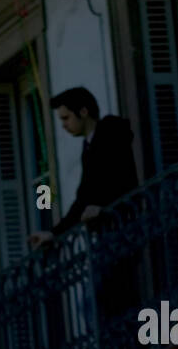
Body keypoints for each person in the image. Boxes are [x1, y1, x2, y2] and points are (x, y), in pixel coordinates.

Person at [28, 87, 138, 248]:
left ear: (84, 111)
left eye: (66, 118)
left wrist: (101, 205)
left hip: (125, 225)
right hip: (110, 235)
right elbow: (83, 198)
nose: (63, 125)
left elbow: (122, 175)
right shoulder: (88, 147)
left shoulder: (110, 128)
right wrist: (53, 232)